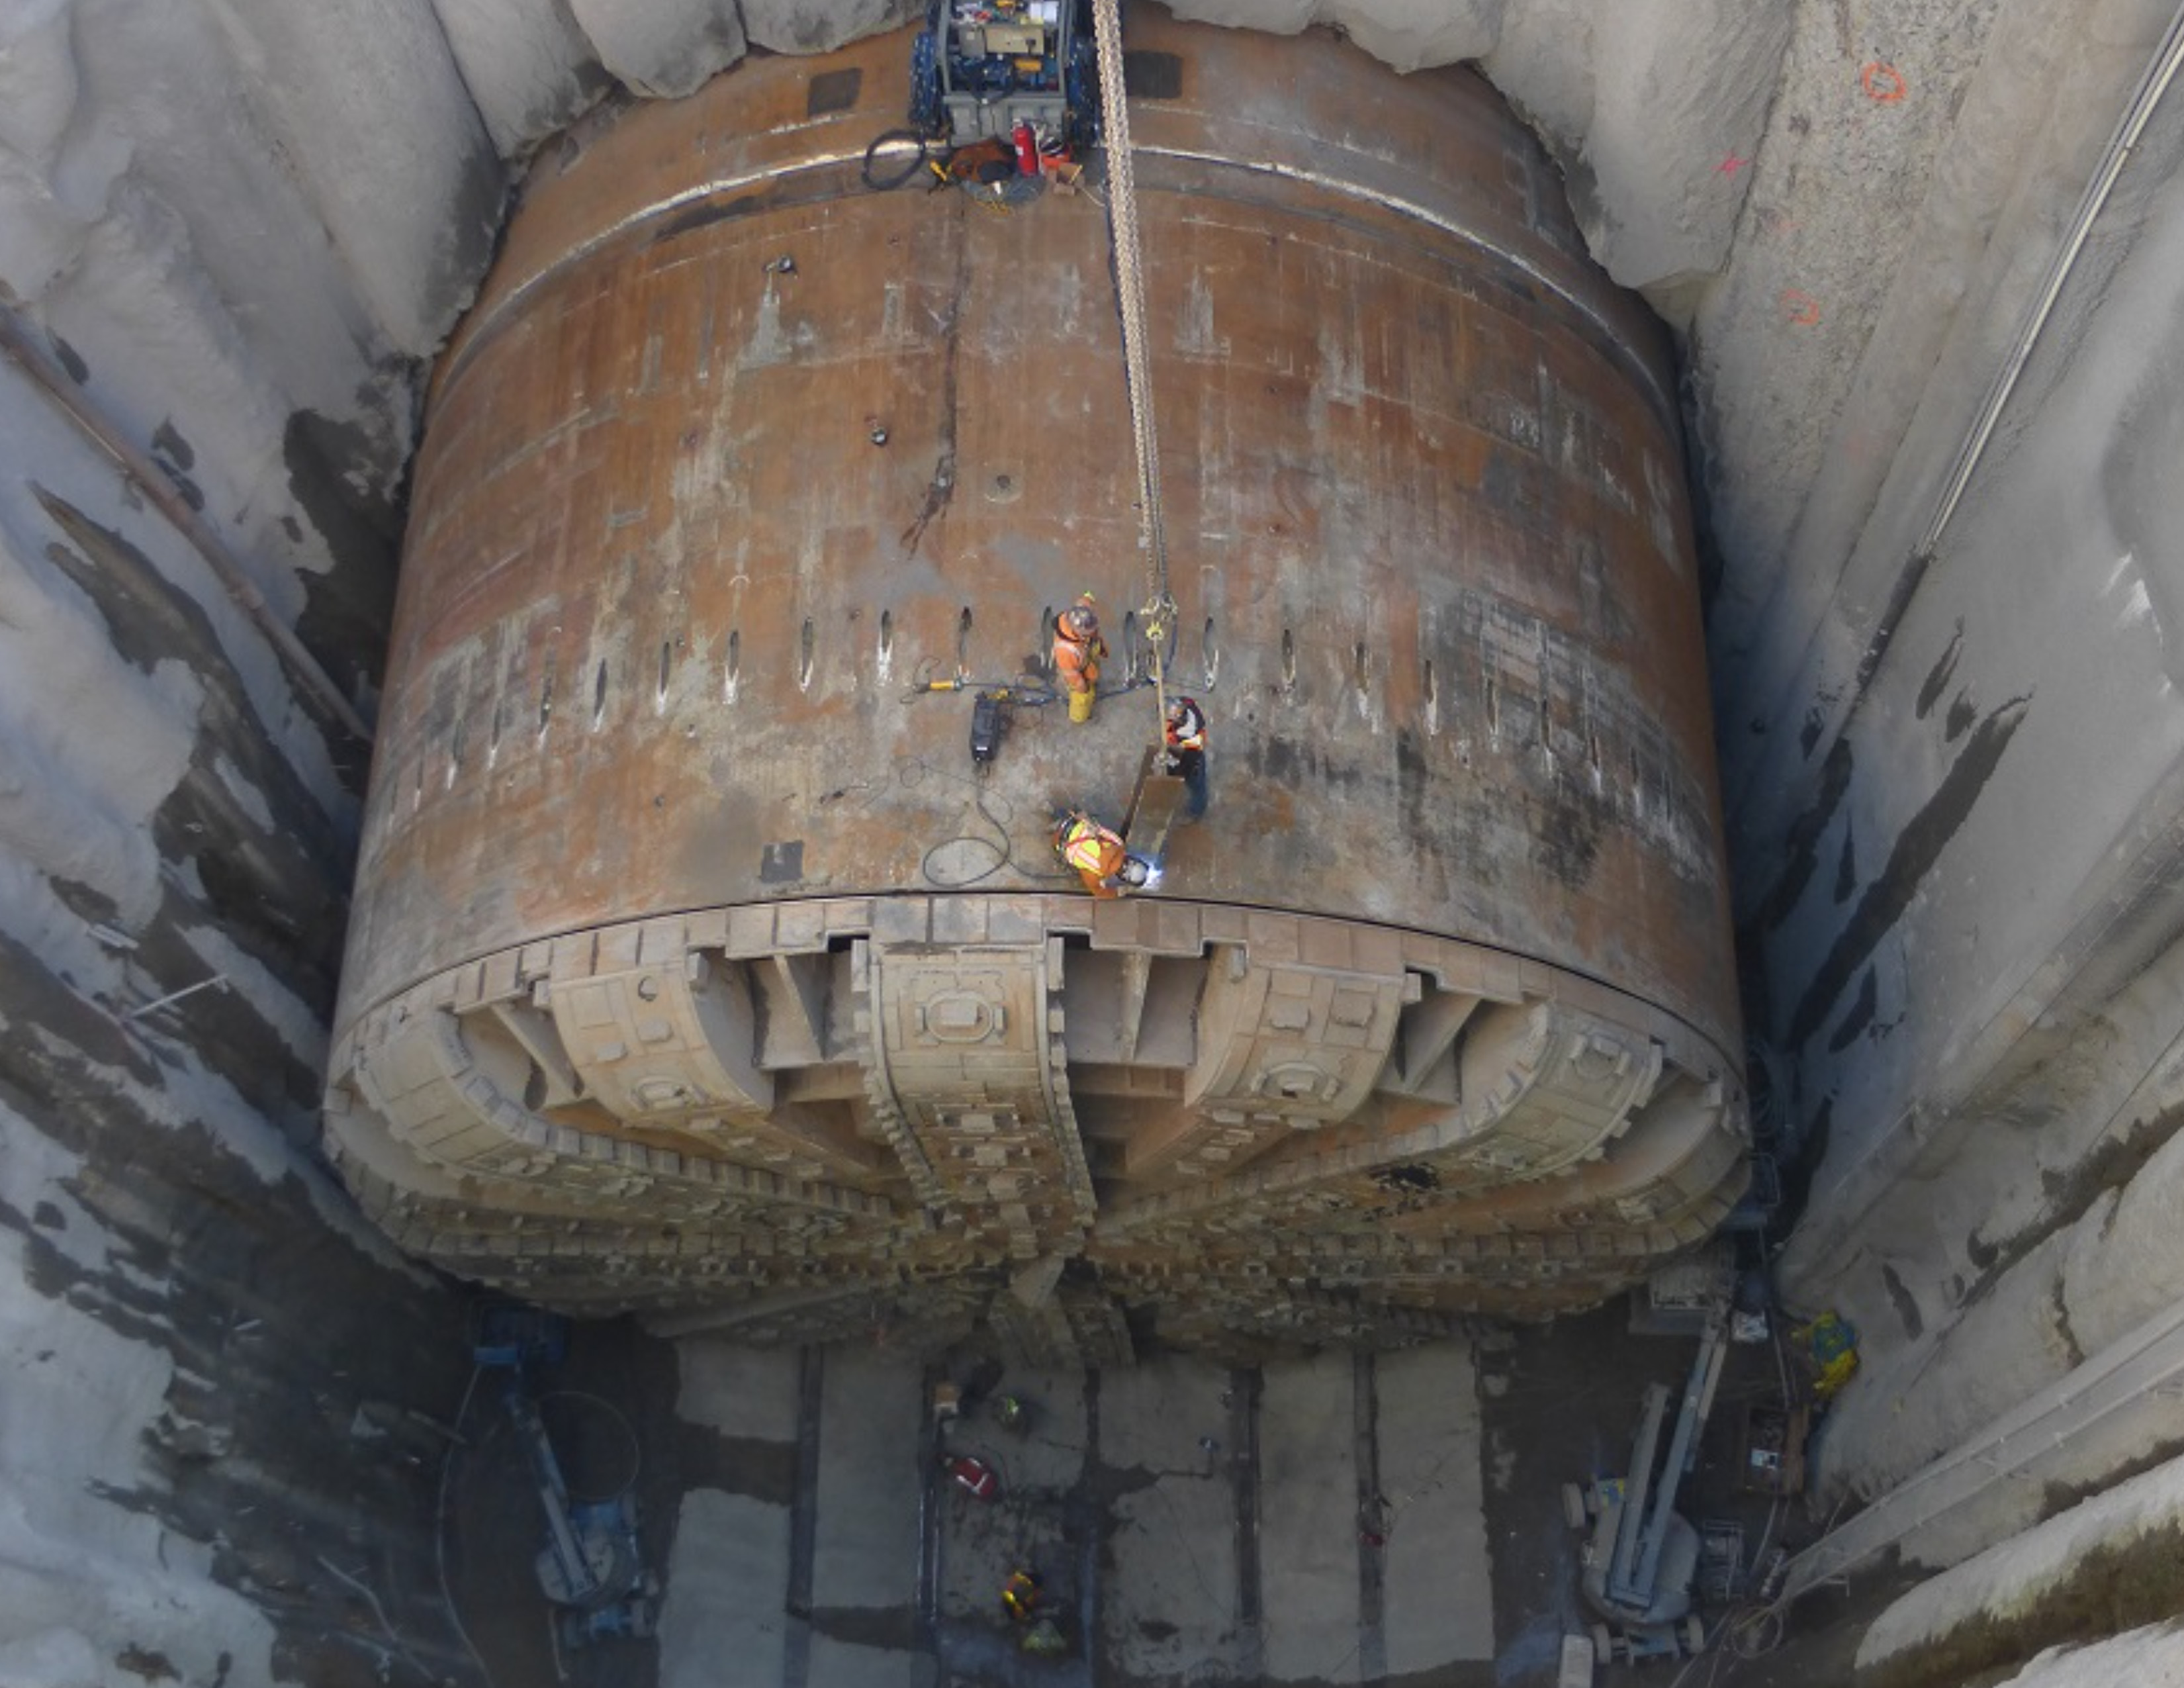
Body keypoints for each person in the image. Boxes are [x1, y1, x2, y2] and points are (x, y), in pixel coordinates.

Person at [1054, 812, 1150, 898]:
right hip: (1060, 841)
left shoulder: (1118, 843)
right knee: (1076, 870)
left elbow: (1100, 830)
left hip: (1074, 823)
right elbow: (1098, 892)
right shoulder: (1097, 874)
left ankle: (1055, 813)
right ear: (1123, 878)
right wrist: (1117, 893)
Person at [1052, 594, 1107, 724]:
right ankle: (1079, 718)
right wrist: (1084, 690)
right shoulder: (1065, 651)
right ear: (1078, 632)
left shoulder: (1081, 610)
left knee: (1093, 672)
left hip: (1086, 654)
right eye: (1089, 632)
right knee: (1081, 700)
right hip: (1077, 668)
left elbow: (1086, 598)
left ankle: (1093, 680)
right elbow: (1072, 675)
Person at [1163, 694, 1208, 817]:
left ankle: (1196, 812)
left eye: (1170, 720)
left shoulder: (1187, 736)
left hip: (1193, 763)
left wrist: (1177, 772)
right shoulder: (1186, 705)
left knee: (1197, 787)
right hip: (1185, 751)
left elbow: (1186, 761)